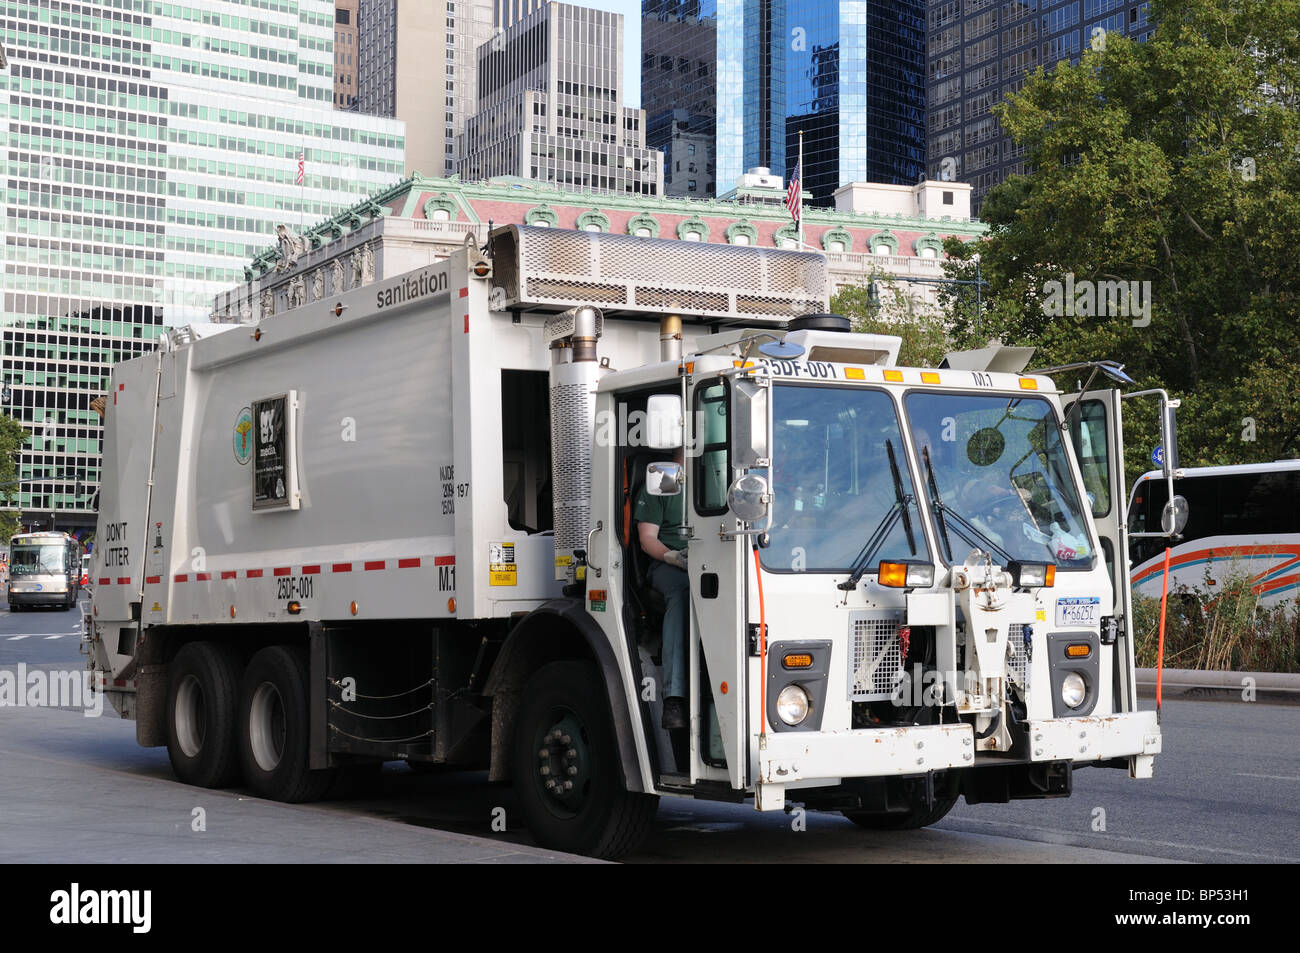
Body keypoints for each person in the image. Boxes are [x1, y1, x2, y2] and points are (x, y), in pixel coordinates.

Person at [635, 447, 691, 730]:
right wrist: (673, 557)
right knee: (684, 593)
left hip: (715, 560)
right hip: (669, 563)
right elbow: (647, 539)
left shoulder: (724, 479)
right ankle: (675, 698)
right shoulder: (666, 479)